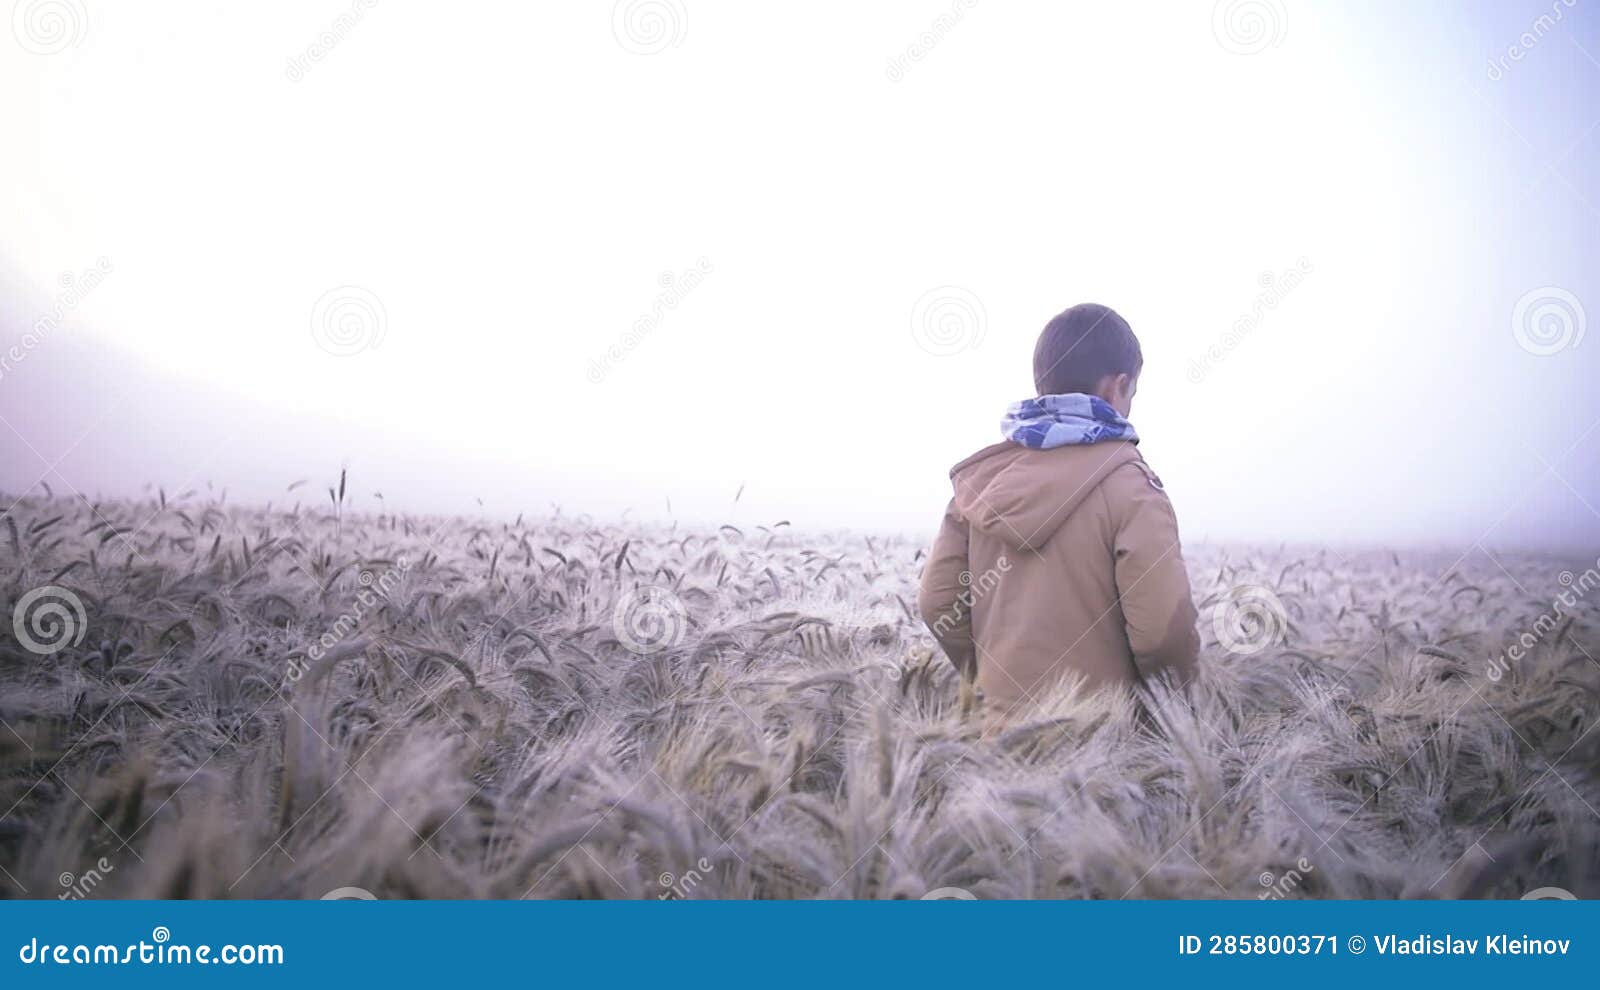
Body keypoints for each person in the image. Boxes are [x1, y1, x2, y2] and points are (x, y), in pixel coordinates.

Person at [916, 303, 1200, 717]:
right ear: (1116, 388)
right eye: (1132, 394)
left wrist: (993, 682)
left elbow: (938, 603)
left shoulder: (979, 486)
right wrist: (1171, 713)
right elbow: (1164, 632)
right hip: (1104, 749)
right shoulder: (1132, 487)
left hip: (999, 746)